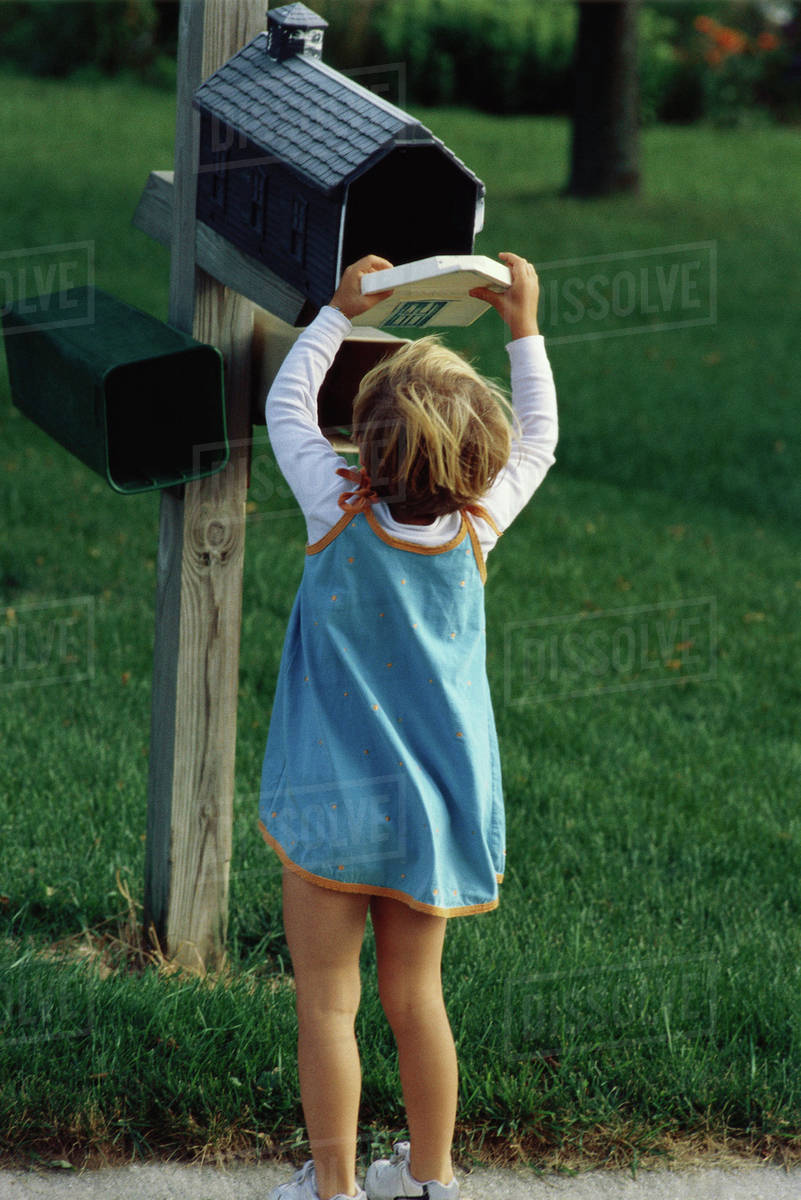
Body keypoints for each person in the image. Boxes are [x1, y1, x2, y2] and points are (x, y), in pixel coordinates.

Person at [259, 252, 558, 1200]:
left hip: (328, 813)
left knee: (327, 1007)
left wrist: (338, 313)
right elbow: (542, 439)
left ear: (367, 443)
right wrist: (522, 327)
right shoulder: (480, 527)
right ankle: (432, 1184)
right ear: (485, 459)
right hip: (432, 816)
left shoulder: (333, 508)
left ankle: (335, 1189)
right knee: (414, 1002)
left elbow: (283, 408)